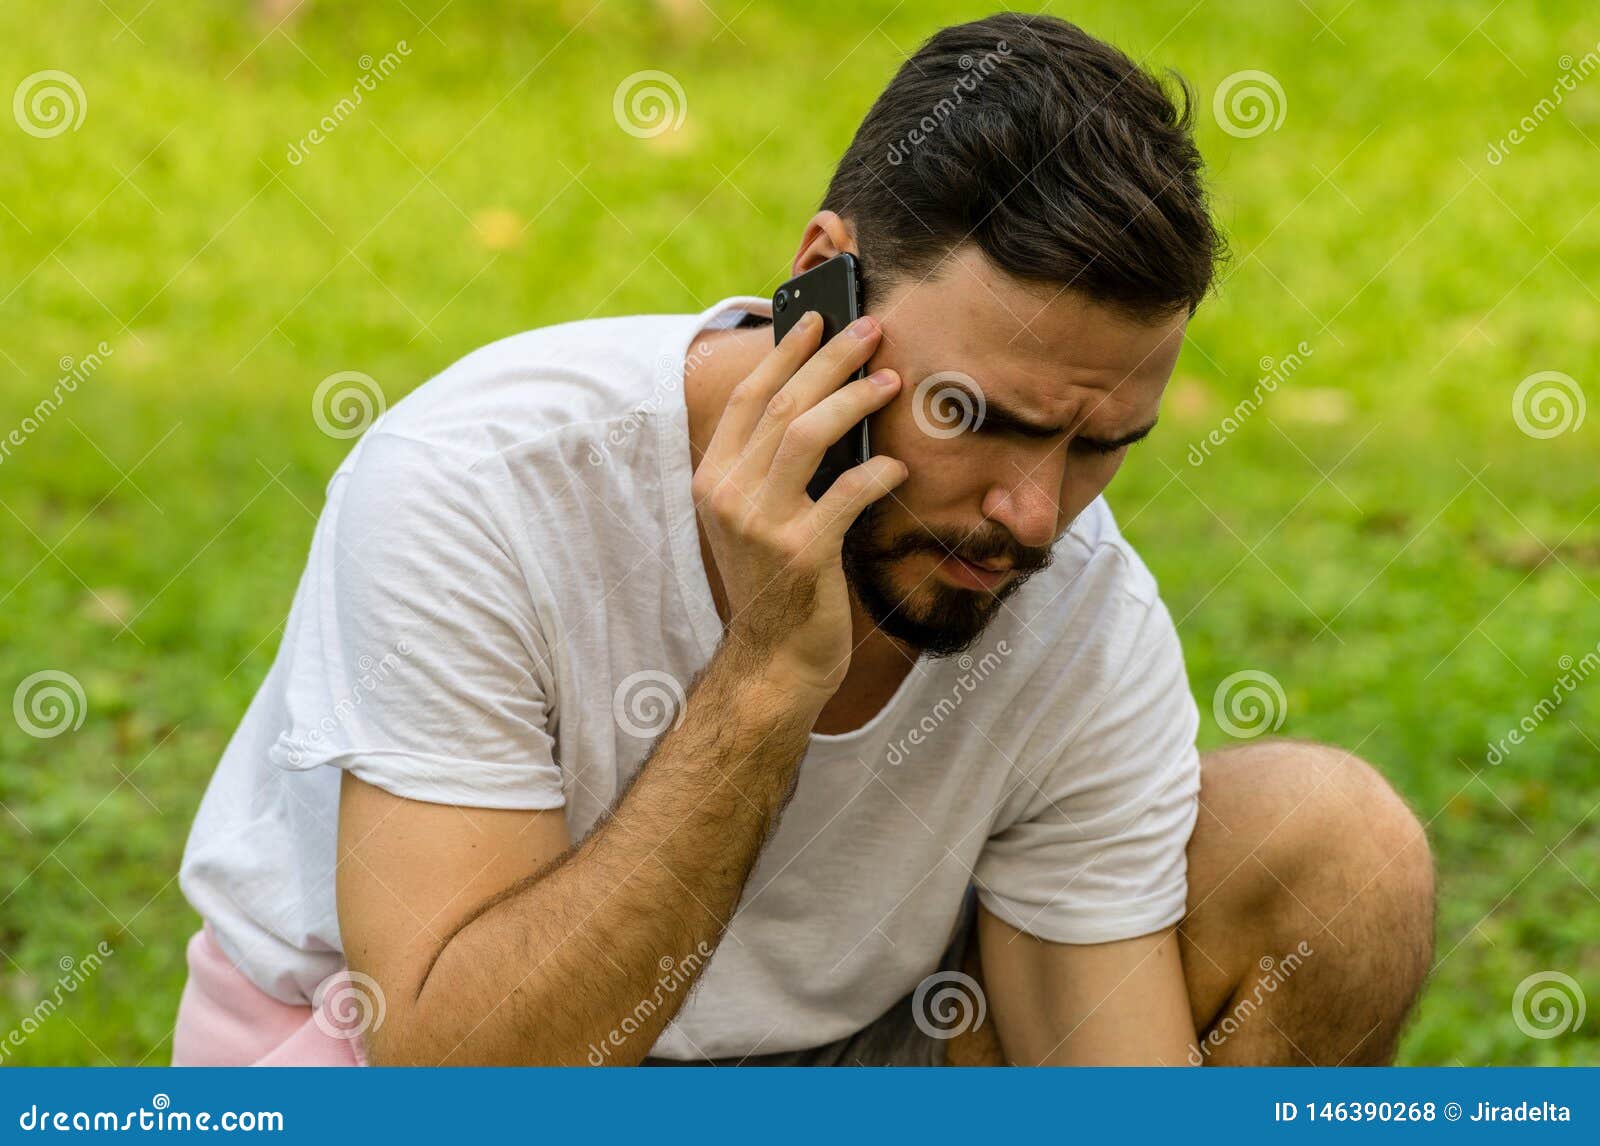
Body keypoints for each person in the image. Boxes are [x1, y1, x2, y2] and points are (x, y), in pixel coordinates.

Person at [174, 11, 1434, 1067]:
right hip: (398, 1071)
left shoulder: (1078, 609)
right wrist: (768, 677)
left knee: (1340, 851)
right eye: (975, 416)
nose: (1034, 515)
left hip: (851, 1057)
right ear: (821, 283)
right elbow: (458, 1081)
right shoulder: (476, 485)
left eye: (1101, 444)